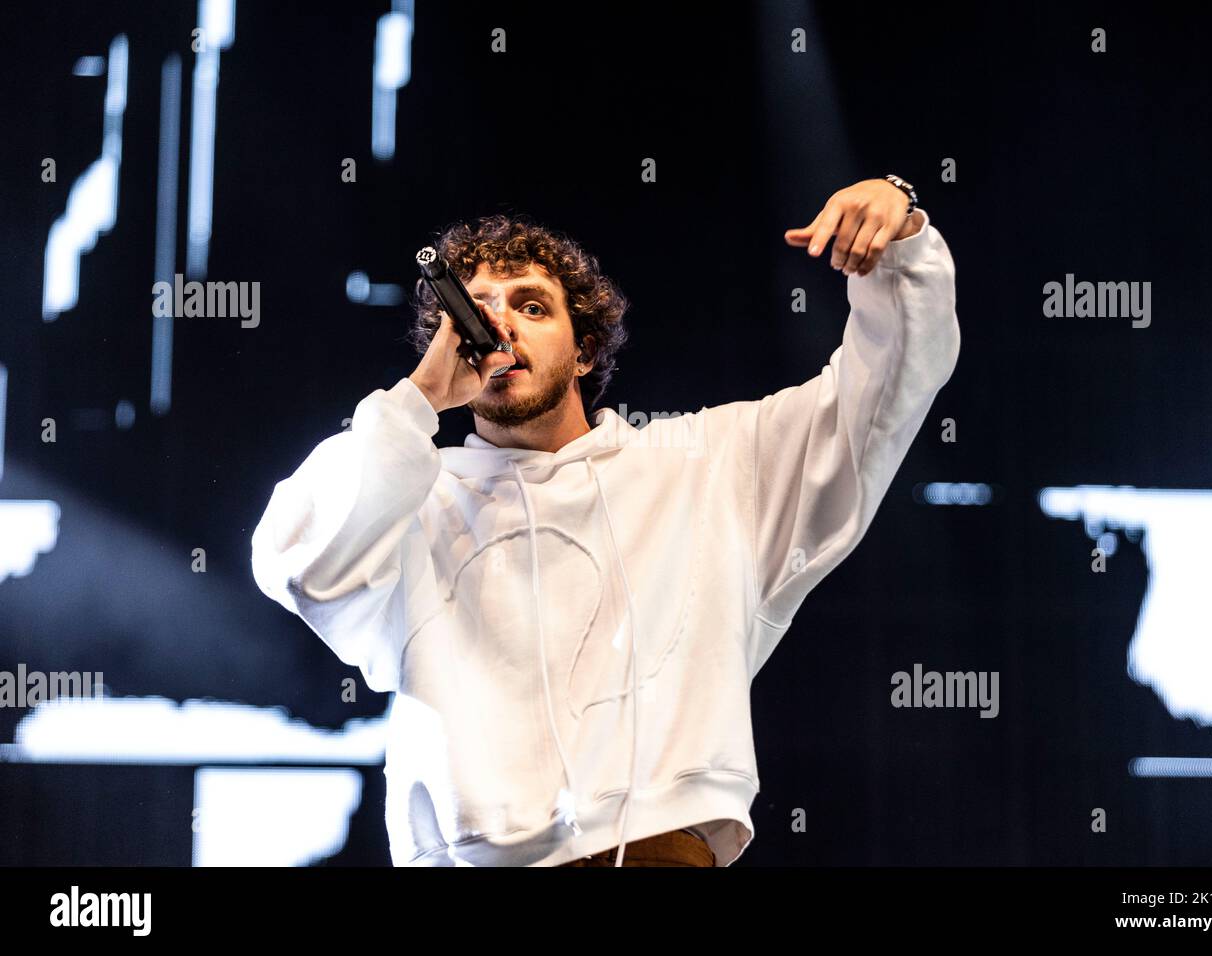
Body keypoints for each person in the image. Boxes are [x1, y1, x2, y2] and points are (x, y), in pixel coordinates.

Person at [250, 176, 960, 866]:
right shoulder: (409, 498)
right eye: (476, 310)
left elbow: (880, 400)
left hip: (659, 849)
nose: (497, 323)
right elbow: (297, 562)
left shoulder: (704, 468)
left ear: (584, 349)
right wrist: (417, 401)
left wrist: (901, 241)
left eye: (530, 305)